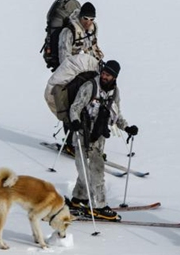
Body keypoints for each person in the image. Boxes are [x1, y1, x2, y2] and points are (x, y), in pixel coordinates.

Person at [67, 60, 138, 221]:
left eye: (109, 75)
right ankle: (99, 206)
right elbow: (75, 107)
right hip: (81, 133)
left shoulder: (114, 92)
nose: (105, 77)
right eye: (104, 73)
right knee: (91, 171)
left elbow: (117, 114)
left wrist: (127, 128)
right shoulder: (90, 86)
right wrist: (75, 121)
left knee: (92, 168)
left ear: (115, 77)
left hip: (98, 137)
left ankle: (79, 199)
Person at [58, 2, 104, 155]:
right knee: (72, 107)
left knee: (90, 107)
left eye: (92, 19)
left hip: (88, 72)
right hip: (71, 74)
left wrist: (98, 64)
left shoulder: (92, 28)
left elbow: (93, 48)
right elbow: (64, 58)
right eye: (85, 18)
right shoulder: (68, 31)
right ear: (80, 15)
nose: (88, 22)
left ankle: (88, 142)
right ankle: (71, 143)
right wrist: (74, 75)